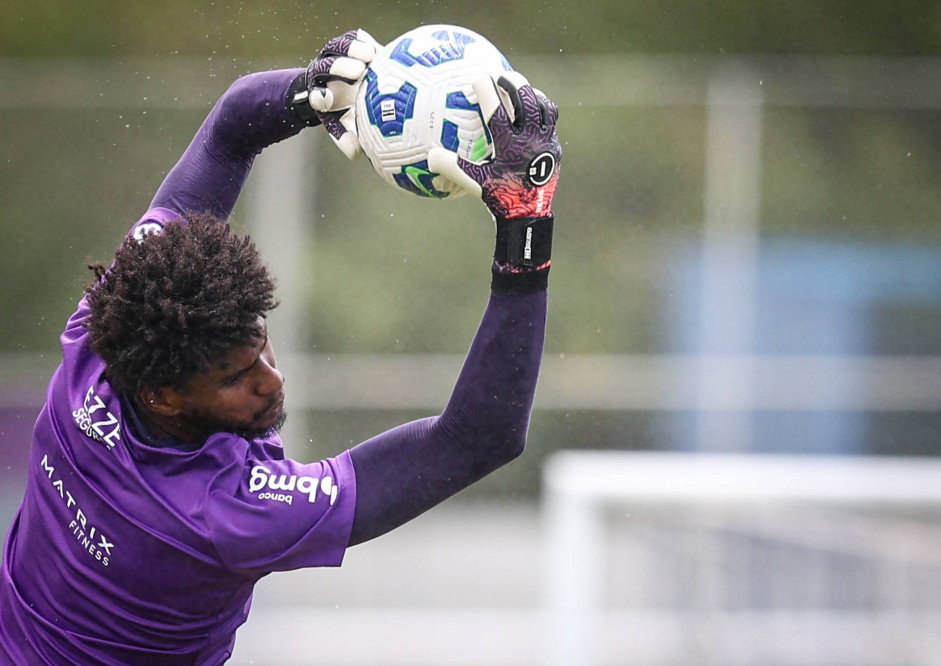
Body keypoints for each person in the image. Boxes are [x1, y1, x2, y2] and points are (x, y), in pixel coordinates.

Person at [0, 29, 561, 665]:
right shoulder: (224, 513)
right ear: (163, 394)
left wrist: (310, 91)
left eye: (262, 348)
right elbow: (479, 437)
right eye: (238, 378)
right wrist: (526, 223)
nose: (272, 381)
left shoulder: (98, 344)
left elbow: (232, 126)